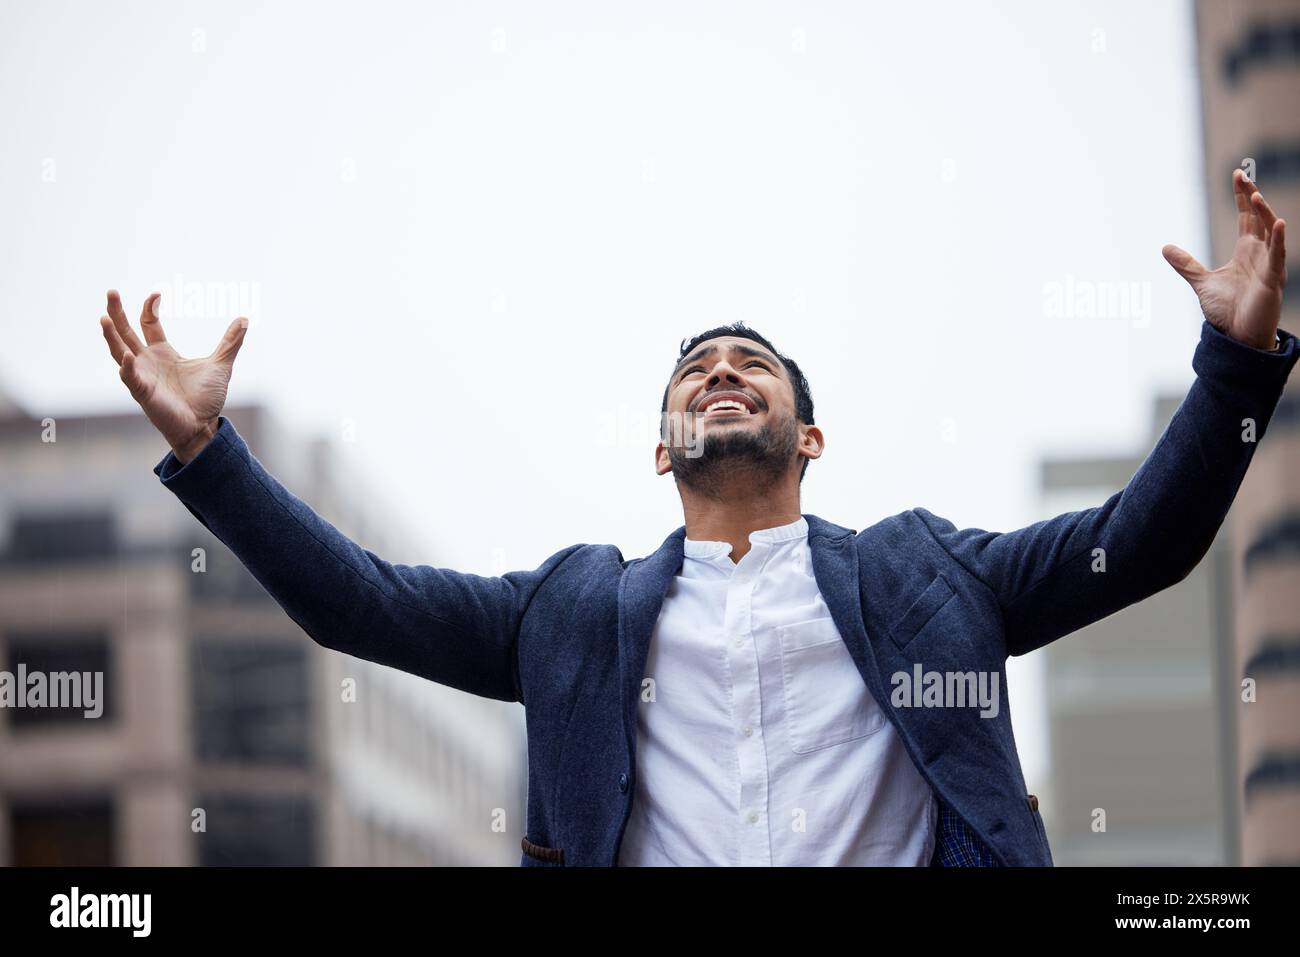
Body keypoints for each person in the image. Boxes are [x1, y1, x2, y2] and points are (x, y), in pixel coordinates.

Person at [98, 170, 1295, 866]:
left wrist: (1232, 367)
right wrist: (210, 453)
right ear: (659, 445)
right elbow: (357, 603)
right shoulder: (569, 612)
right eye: (696, 372)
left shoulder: (927, 573)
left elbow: (1142, 541)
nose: (722, 373)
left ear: (809, 437)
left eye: (751, 364)